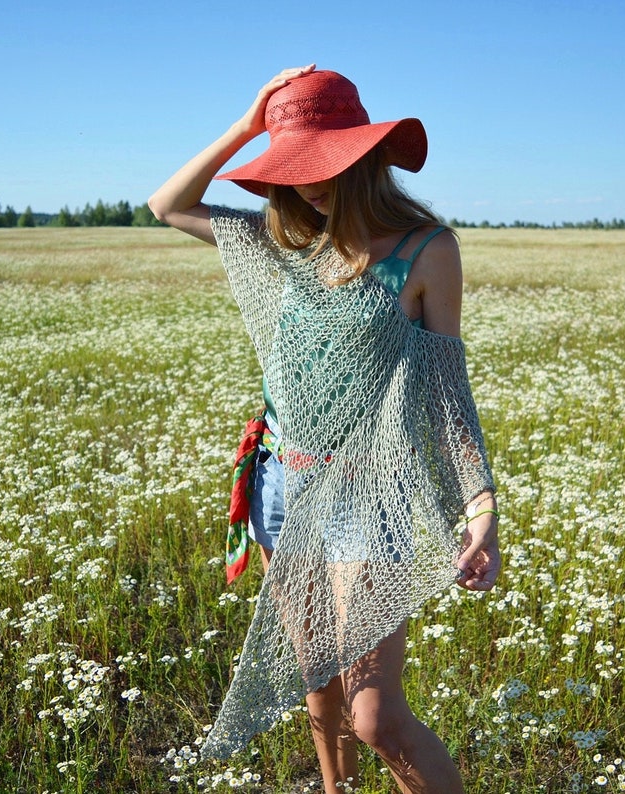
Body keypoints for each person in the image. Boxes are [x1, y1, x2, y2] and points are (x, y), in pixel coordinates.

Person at [149, 65, 500, 794]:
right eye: (293, 167)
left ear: (365, 157)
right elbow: (166, 204)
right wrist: (250, 125)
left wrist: (482, 507)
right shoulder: (286, 245)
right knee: (318, 678)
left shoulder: (427, 249)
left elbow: (446, 392)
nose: (309, 184)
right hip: (280, 482)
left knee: (376, 717)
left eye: (323, 165)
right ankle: (333, 789)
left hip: (372, 498)